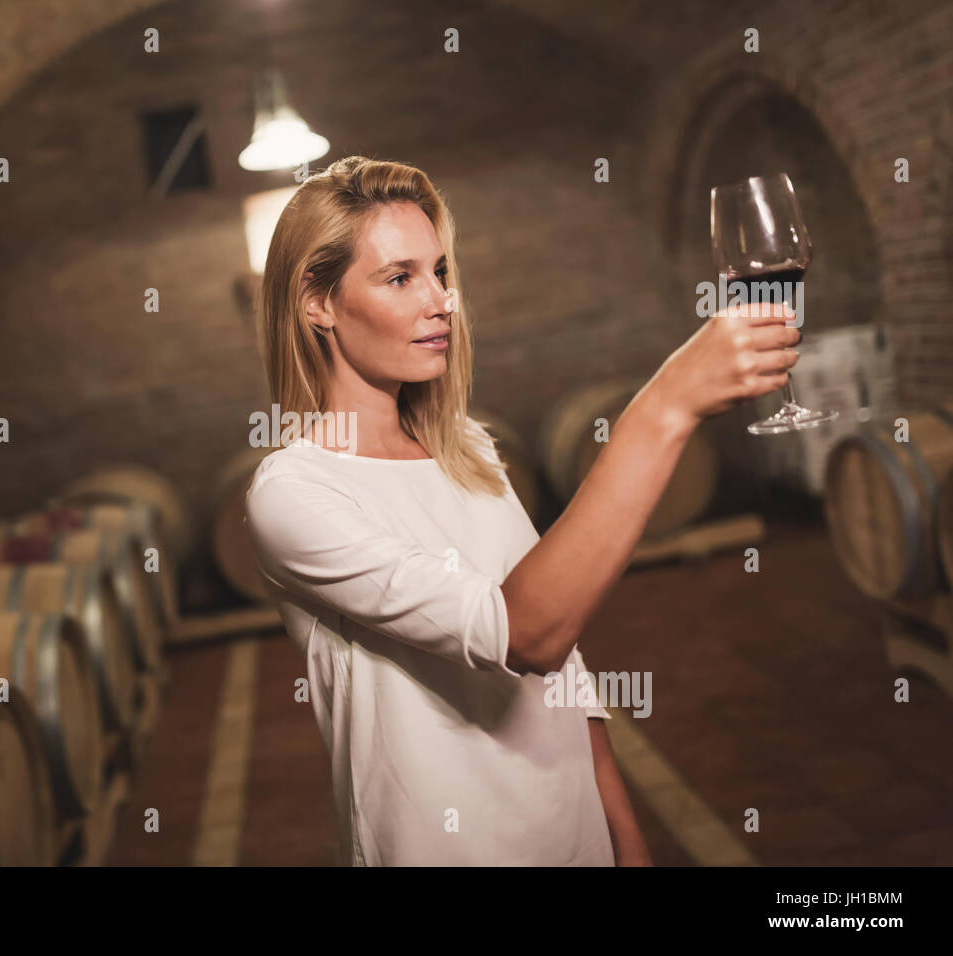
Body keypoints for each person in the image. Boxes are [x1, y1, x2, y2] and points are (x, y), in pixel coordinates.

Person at [243, 155, 801, 866]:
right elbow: (523, 632)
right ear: (315, 302)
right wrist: (665, 406)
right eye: (399, 277)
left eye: (440, 272)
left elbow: (562, 656)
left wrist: (621, 830)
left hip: (571, 833)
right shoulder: (294, 494)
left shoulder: (465, 447)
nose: (440, 300)